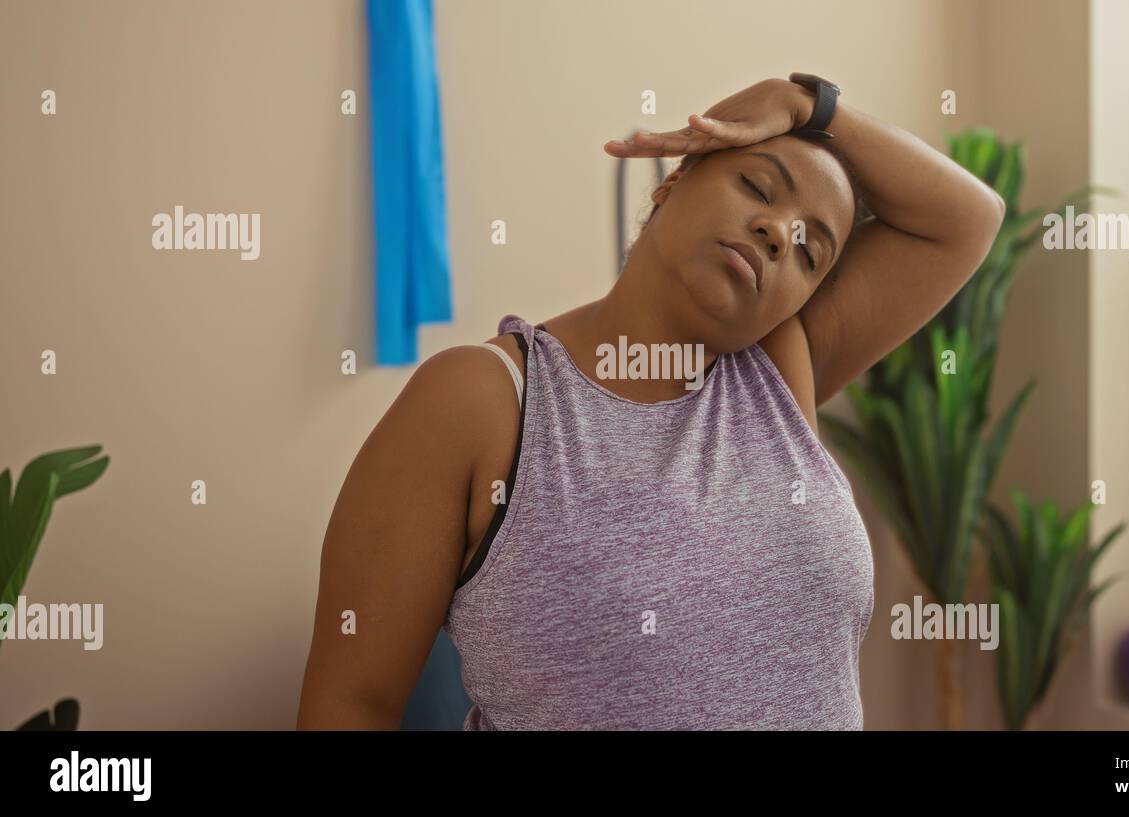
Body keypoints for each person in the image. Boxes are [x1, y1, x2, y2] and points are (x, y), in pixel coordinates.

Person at [297, 76, 1005, 730]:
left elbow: (969, 218)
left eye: (810, 251)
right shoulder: (480, 402)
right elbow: (349, 704)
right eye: (758, 187)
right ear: (671, 184)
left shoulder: (780, 367)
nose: (777, 233)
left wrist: (807, 100)